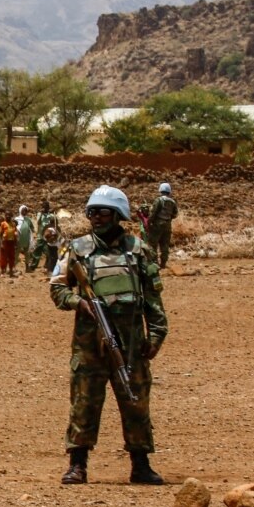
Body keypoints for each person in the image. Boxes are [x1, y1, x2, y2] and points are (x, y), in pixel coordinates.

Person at [50, 185, 169, 486]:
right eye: (91, 213)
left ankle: (140, 464)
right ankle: (78, 464)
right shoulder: (77, 250)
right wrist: (81, 303)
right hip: (89, 344)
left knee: (135, 400)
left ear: (118, 215)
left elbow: (153, 298)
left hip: (130, 344)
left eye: (103, 212)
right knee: (84, 402)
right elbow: (58, 288)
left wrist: (156, 335)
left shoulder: (138, 250)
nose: (96, 218)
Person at [148, 182, 179, 268]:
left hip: (157, 225)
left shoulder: (159, 200)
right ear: (169, 191)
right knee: (165, 245)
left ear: (160, 190)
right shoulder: (173, 202)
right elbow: (175, 214)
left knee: (153, 244)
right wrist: (168, 219)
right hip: (167, 225)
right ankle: (163, 263)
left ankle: (155, 263)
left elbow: (153, 213)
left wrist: (149, 222)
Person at [28, 200, 57, 272]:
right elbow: (38, 222)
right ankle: (33, 266)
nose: (45, 208)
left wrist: (52, 214)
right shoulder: (39, 214)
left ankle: (47, 265)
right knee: (37, 251)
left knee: (48, 251)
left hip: (48, 236)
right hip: (40, 235)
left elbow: (55, 222)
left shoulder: (51, 215)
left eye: (46, 207)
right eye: (44, 207)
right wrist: (41, 214)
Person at [0, 212, 18, 277]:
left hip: (11, 242)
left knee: (11, 257)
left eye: (9, 215)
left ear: (11, 216)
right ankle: (2, 271)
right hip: (5, 242)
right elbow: (0, 234)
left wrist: (15, 243)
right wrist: (1, 242)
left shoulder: (13, 224)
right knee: (3, 257)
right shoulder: (3, 224)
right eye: (6, 215)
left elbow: (15, 233)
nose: (8, 216)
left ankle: (10, 271)